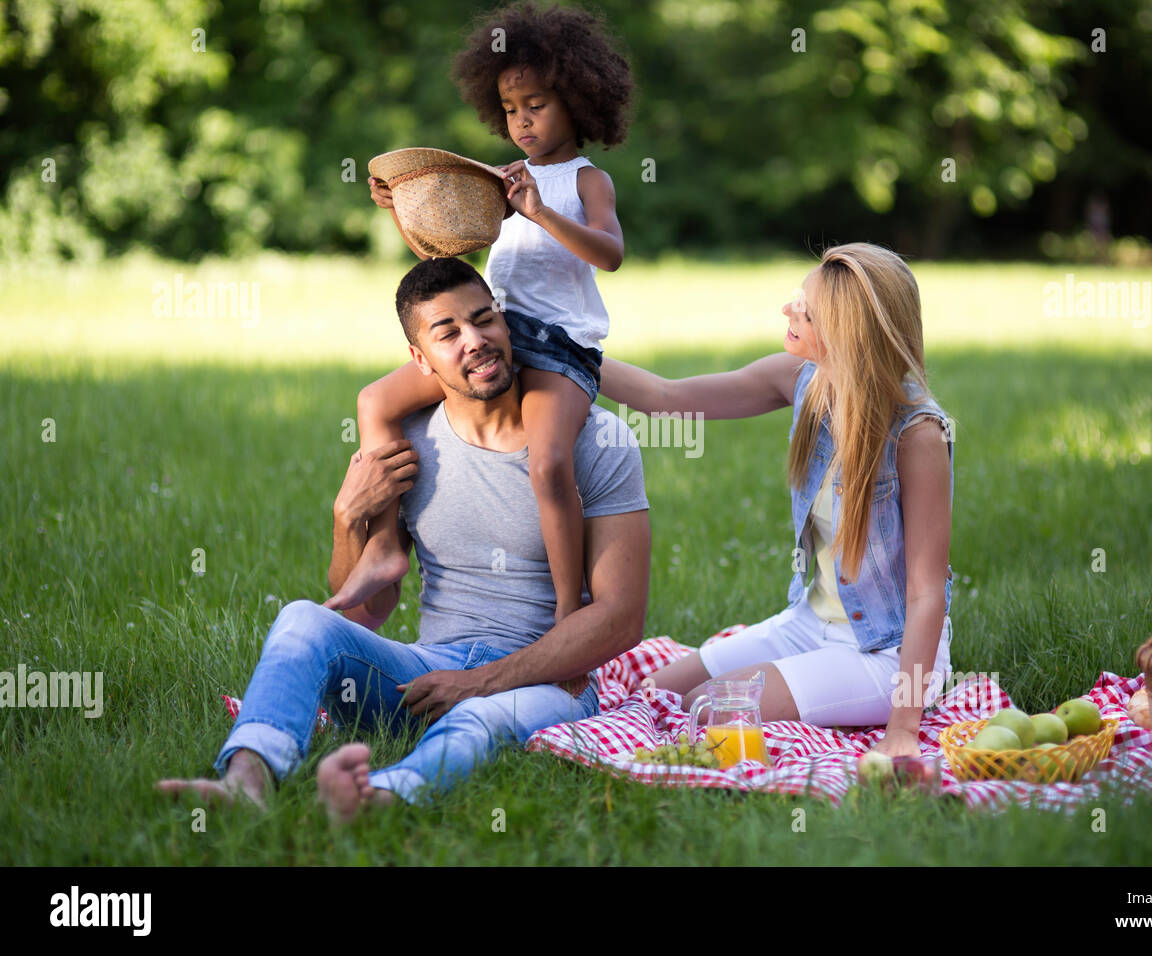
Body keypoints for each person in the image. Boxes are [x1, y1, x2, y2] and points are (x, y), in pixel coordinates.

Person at [157, 256, 650, 820]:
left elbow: (619, 618)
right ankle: (248, 780)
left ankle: (381, 798)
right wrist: (347, 518)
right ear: (419, 359)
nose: (476, 341)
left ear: (507, 324)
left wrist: (479, 683)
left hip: (545, 682)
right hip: (428, 672)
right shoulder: (410, 442)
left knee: (480, 717)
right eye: (448, 332)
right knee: (302, 619)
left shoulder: (598, 441)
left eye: (485, 319)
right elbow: (366, 606)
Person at [328, 0, 634, 627]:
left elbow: (611, 255)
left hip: (558, 347)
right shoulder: (506, 180)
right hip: (497, 329)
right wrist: (397, 209)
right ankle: (385, 545)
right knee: (375, 402)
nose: (521, 122)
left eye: (537, 106)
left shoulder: (585, 181)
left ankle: (565, 606)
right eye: (510, 110)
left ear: (577, 99)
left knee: (547, 463)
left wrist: (540, 211)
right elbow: (443, 262)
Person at [600, 242, 955, 758]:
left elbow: (928, 595)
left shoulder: (917, 435)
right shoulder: (802, 380)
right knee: (658, 691)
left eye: (806, 312)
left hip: (885, 654)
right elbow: (666, 398)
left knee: (712, 709)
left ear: (845, 335)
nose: (788, 311)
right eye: (797, 298)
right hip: (809, 624)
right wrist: (569, 355)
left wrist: (902, 731)